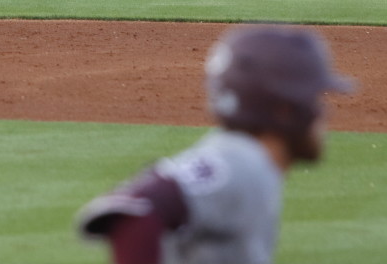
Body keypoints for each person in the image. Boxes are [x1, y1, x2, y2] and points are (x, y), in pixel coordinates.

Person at [76, 24, 354, 264]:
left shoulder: (253, 165)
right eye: (314, 100)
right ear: (285, 110)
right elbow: (135, 211)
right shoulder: (242, 162)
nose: (323, 113)